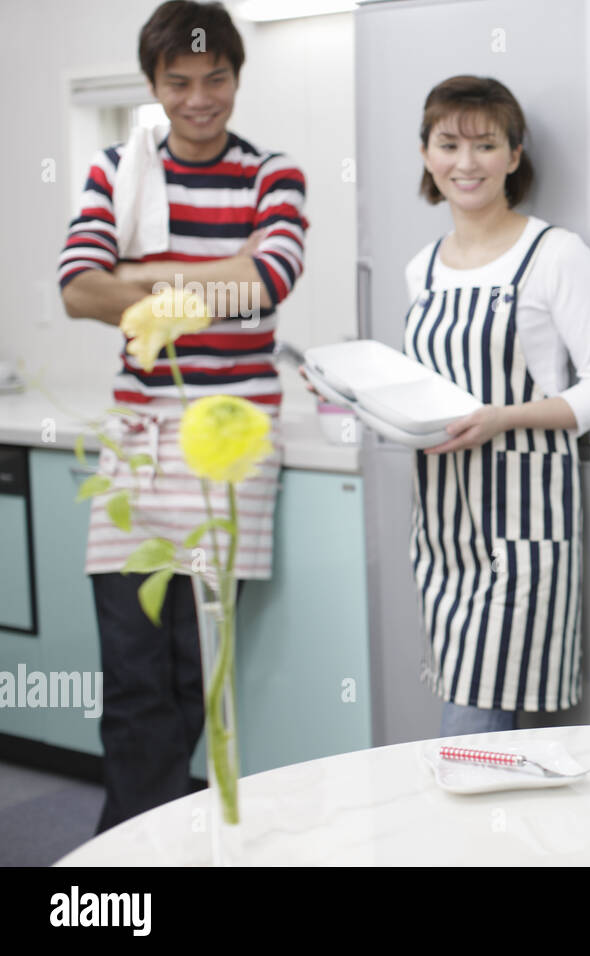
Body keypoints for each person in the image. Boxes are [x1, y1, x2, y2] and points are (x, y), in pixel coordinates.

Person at [58, 0, 307, 831]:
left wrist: (144, 285)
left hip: (230, 447)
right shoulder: (114, 170)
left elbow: (267, 282)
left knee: (197, 669)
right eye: (180, 82)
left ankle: (164, 832)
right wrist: (213, 278)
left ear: (237, 75)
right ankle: (128, 849)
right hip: (135, 443)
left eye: (217, 78)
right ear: (153, 85)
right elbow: (77, 290)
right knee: (133, 673)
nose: (200, 98)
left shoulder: (274, 173)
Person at [403, 76, 590, 737]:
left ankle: (464, 836)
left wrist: (504, 417)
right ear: (426, 154)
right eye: (448, 144)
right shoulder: (422, 268)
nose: (465, 163)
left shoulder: (554, 254)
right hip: (443, 527)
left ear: (514, 154)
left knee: (472, 720)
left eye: (485, 144)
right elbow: (424, 389)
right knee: (476, 709)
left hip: (521, 528)